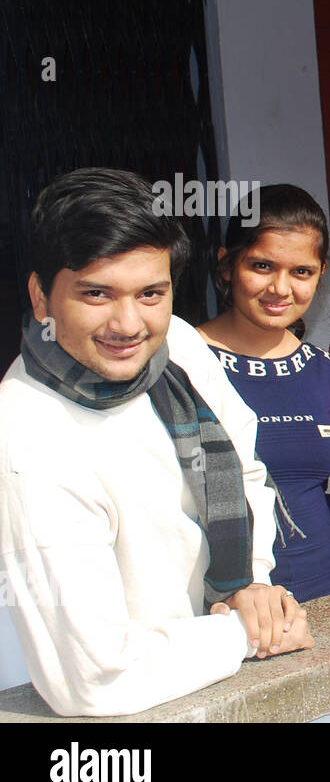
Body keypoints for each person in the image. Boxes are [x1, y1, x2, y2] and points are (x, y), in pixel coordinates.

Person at [0, 168, 312, 717]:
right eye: (96, 293)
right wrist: (241, 633)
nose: (128, 324)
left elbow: (245, 469)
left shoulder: (179, 350)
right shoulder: (29, 436)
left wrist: (251, 586)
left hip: (210, 679)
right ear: (41, 296)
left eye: (151, 293)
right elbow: (96, 680)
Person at [197, 185, 330, 600]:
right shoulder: (185, 362)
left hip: (329, 597)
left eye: (301, 272)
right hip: (227, 609)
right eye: (262, 266)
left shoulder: (323, 370)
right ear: (227, 266)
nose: (281, 288)